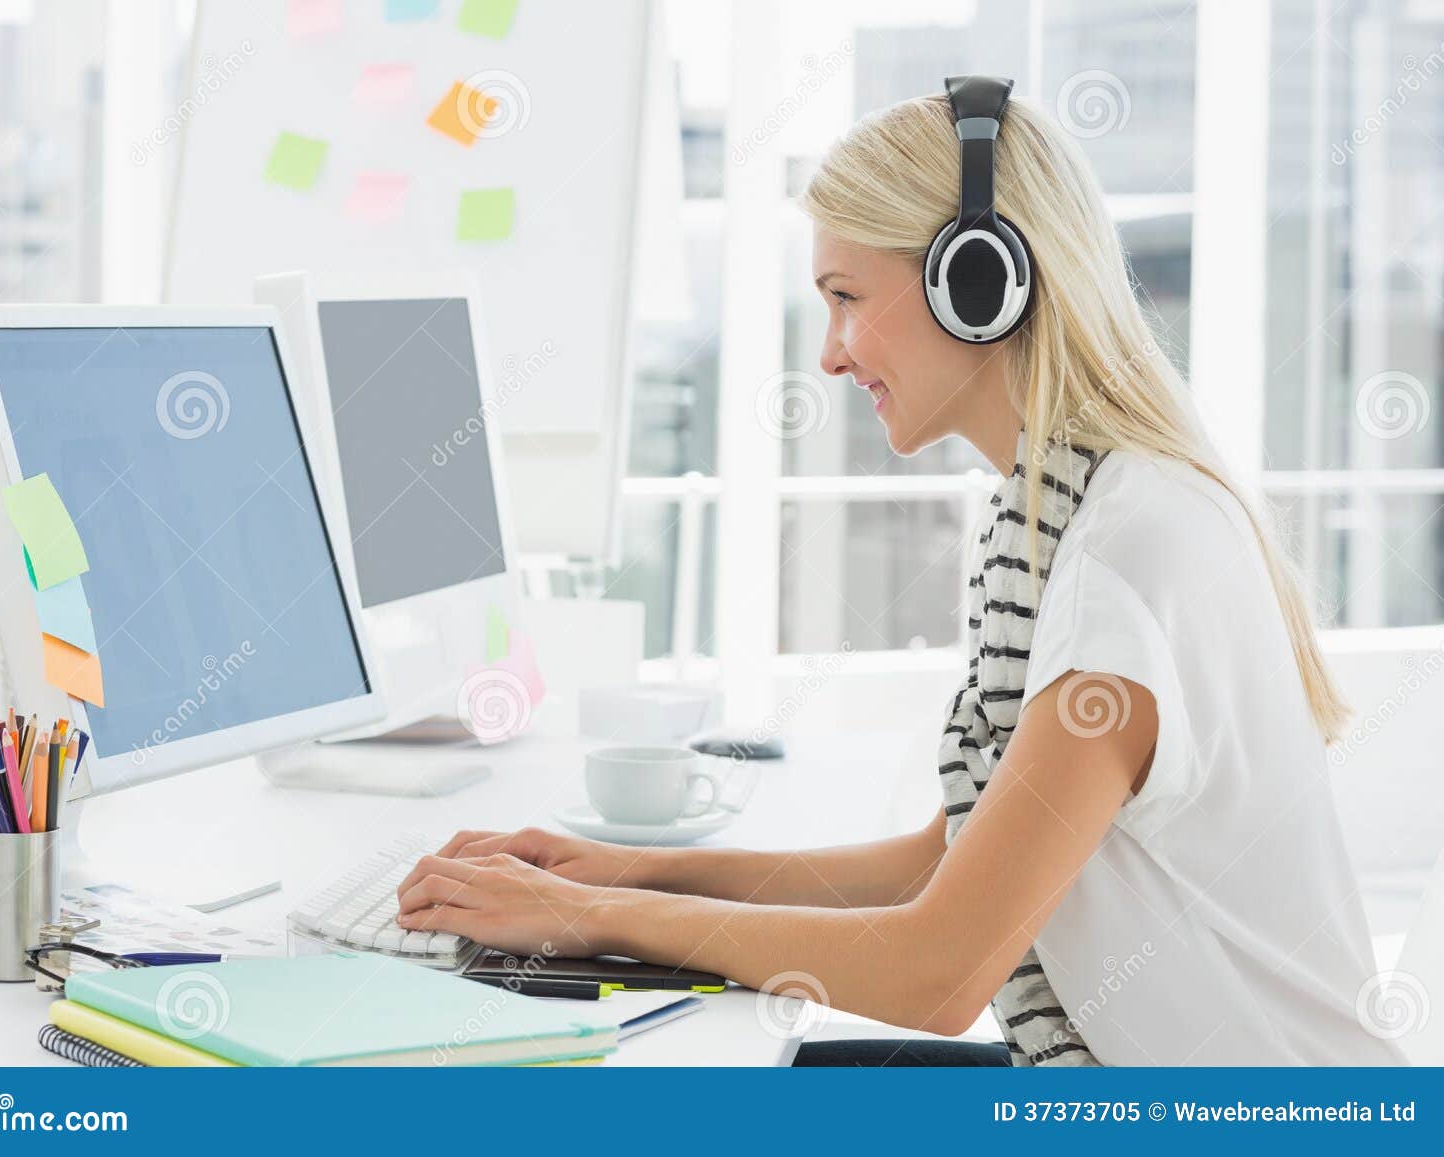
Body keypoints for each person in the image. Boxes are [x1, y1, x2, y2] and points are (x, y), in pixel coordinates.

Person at [397, 79, 1402, 1067]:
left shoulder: (1123, 552)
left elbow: (939, 971)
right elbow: (943, 864)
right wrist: (629, 872)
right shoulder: (1061, 511)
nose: (831, 357)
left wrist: (590, 917)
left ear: (978, 285)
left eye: (845, 297)